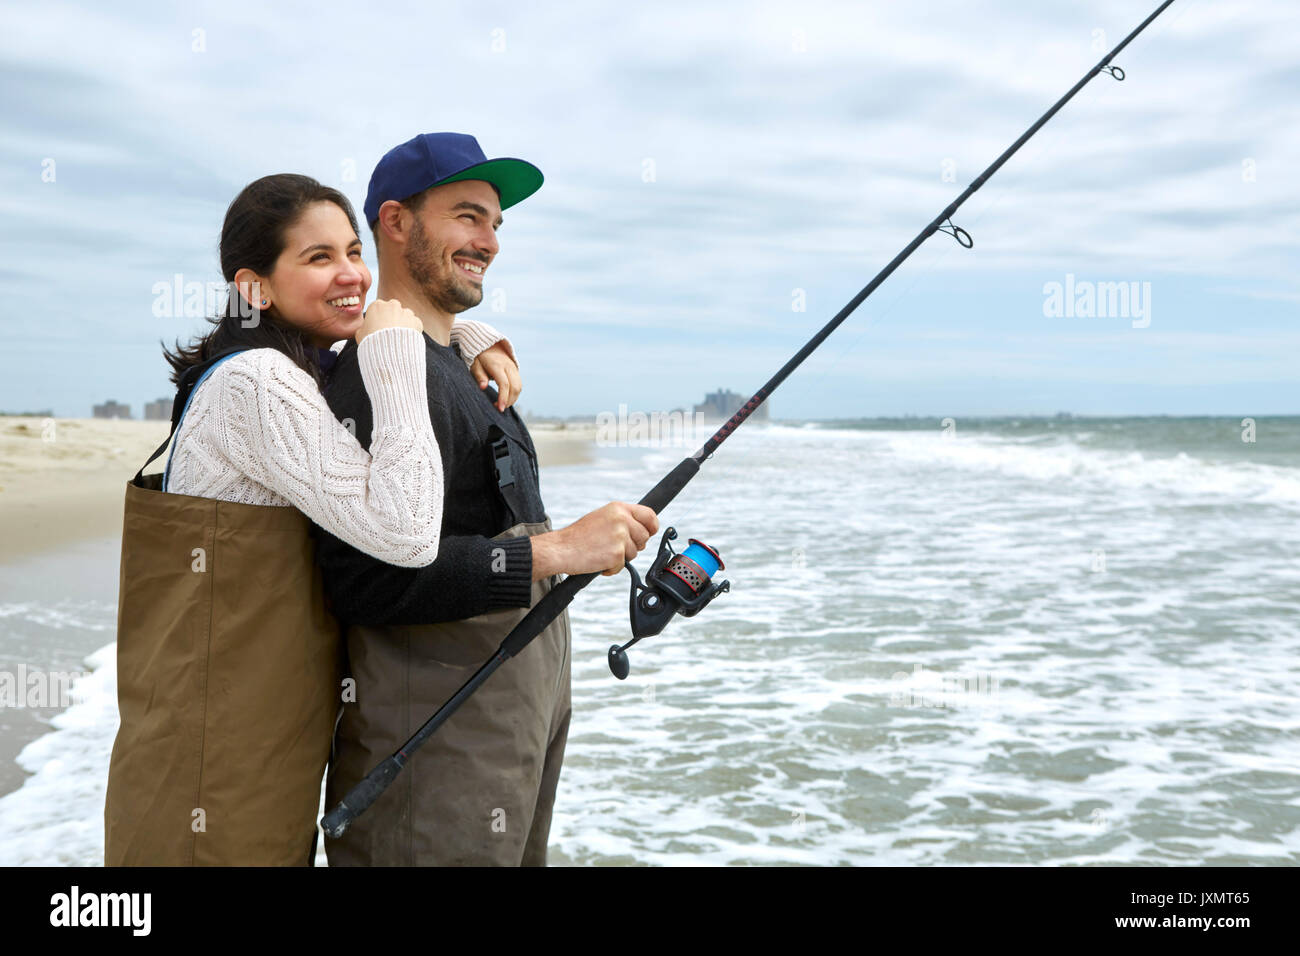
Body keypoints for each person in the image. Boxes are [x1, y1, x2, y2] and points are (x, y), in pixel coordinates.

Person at [103, 172, 524, 866]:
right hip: (214, 761)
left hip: (243, 738)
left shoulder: (280, 368)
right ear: (255, 287)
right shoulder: (259, 384)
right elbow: (407, 533)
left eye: (353, 252)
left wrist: (468, 336)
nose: (352, 274)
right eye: (318, 257)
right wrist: (398, 357)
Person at [315, 133, 658, 866]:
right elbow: (363, 578)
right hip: (437, 737)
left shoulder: (464, 360)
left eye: (497, 224)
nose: (490, 241)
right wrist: (560, 550)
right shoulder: (384, 373)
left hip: (520, 708)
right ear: (396, 222)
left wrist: (475, 338)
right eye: (468, 216)